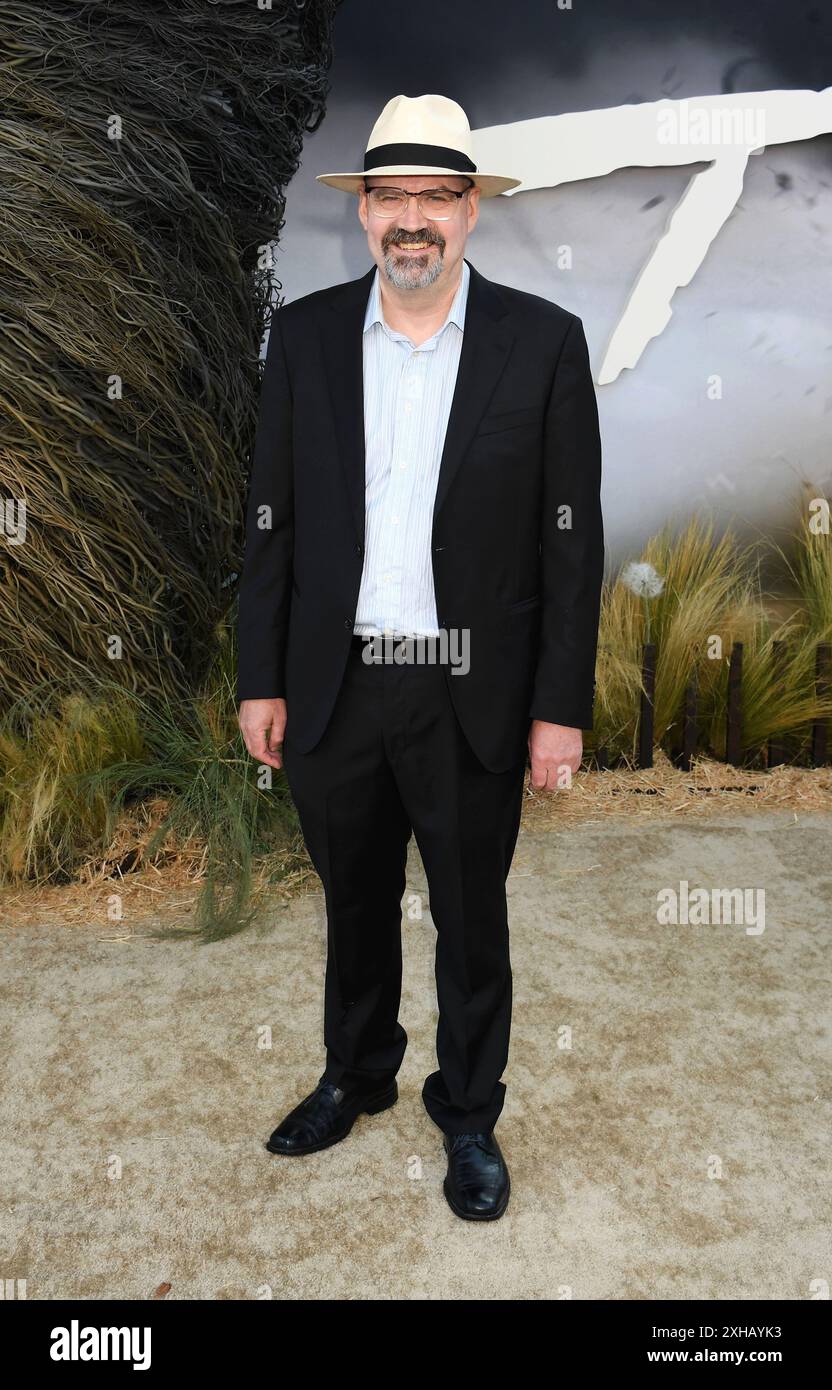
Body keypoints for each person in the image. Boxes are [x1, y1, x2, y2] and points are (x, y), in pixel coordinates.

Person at [237, 93, 604, 1220]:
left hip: (469, 687)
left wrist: (557, 707)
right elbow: (271, 523)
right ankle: (355, 1074)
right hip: (335, 682)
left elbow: (571, 542)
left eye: (435, 197)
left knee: (467, 913)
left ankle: (470, 1113)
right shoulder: (300, 339)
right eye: (390, 195)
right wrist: (261, 674)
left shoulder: (541, 343)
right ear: (362, 215)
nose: (412, 219)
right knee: (351, 900)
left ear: (469, 213)